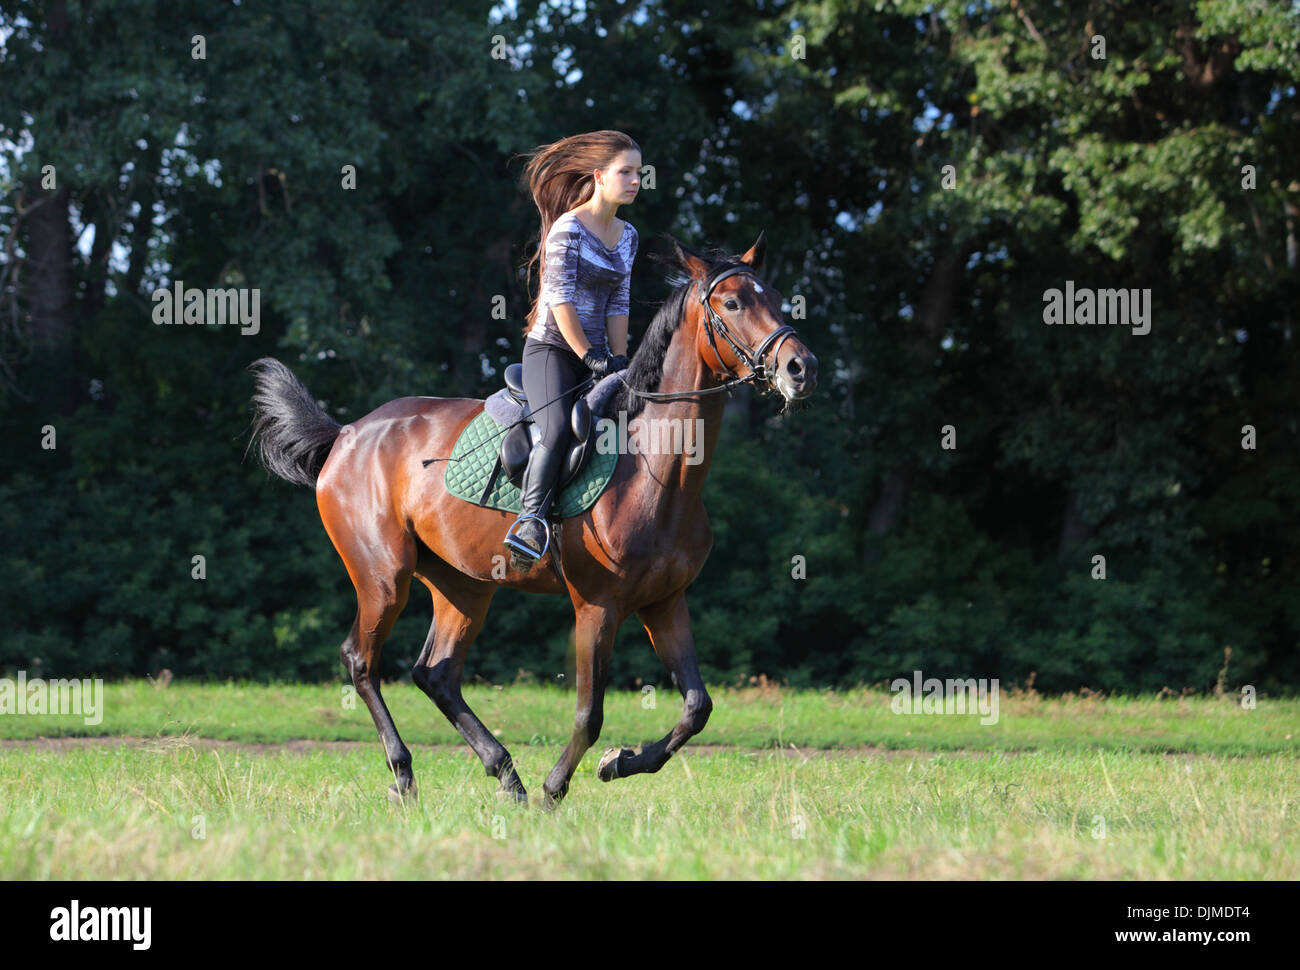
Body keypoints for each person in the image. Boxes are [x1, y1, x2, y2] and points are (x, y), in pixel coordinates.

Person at [504, 130, 640, 569]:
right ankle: (529, 522)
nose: (636, 180)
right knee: (560, 427)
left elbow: (619, 303)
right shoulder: (568, 228)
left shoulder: (628, 235)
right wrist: (589, 356)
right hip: (553, 351)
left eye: (639, 173)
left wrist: (619, 363)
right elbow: (558, 299)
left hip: (599, 354)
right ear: (599, 177)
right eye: (627, 172)